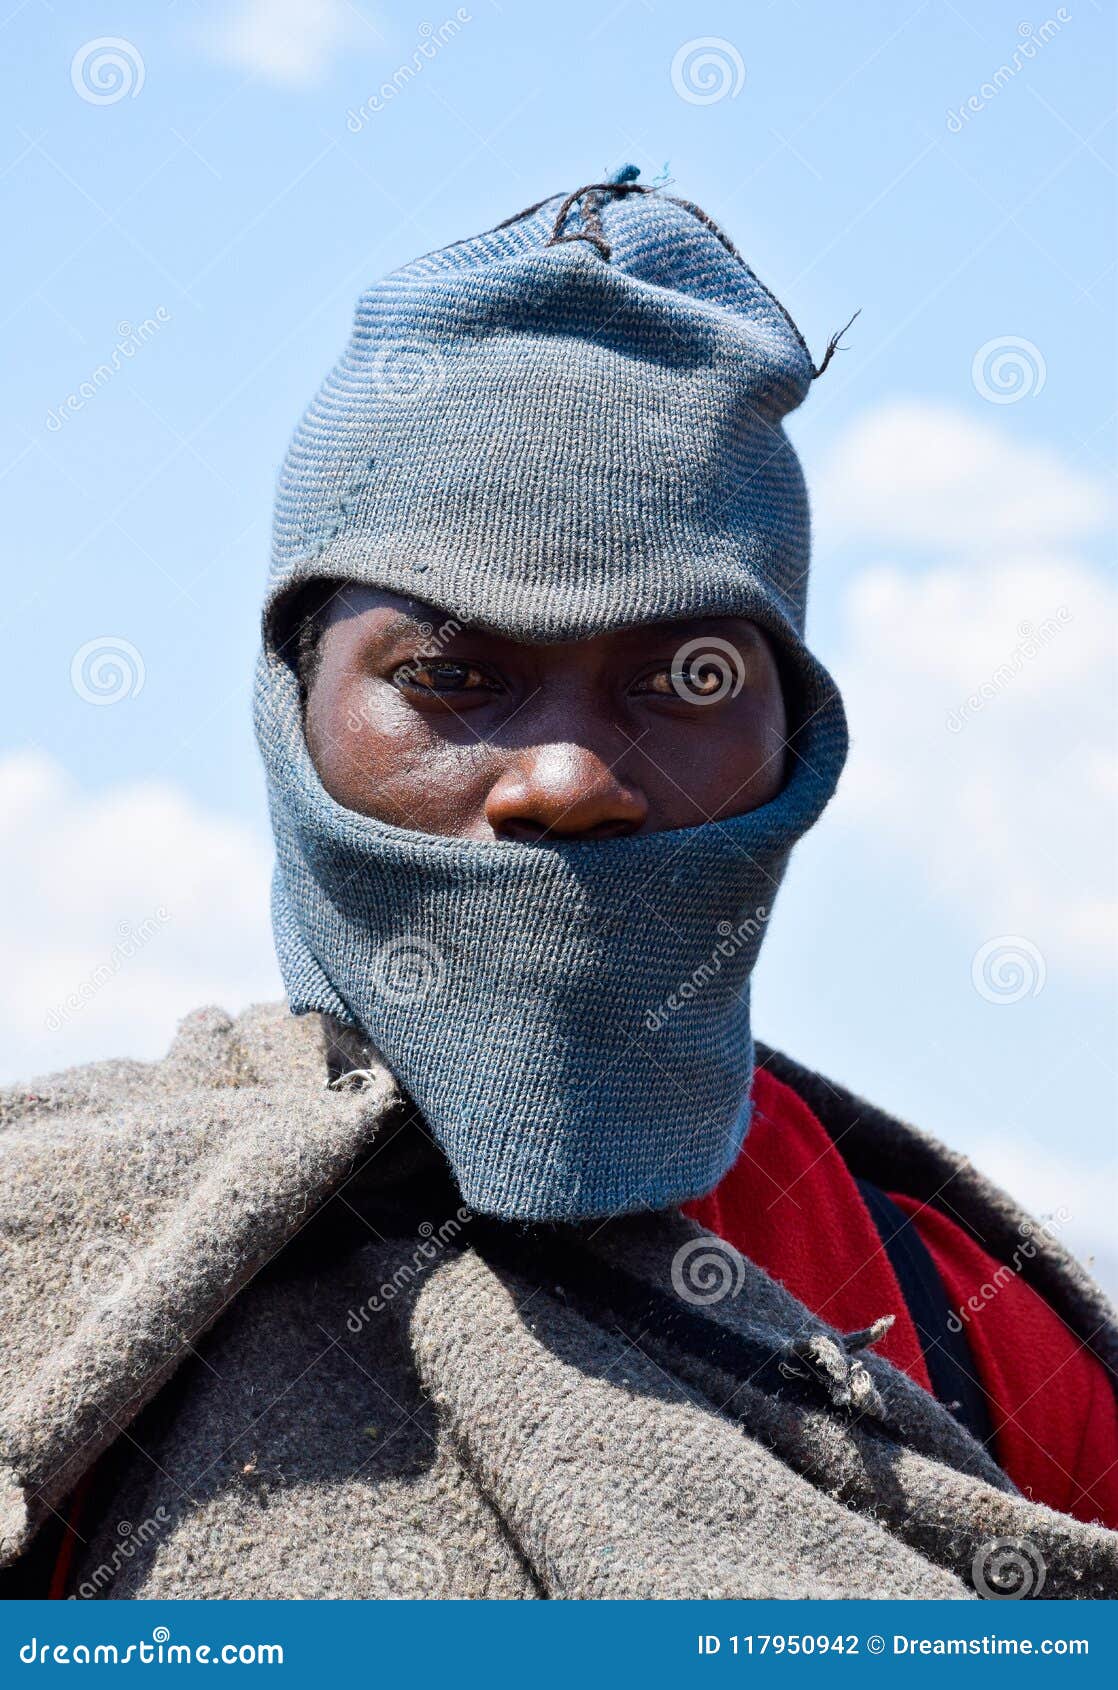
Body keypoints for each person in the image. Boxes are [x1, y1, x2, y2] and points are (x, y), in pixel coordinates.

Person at [1, 171, 1114, 1602]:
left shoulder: (982, 1339)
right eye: (452, 677)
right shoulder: (58, 1291)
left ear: (796, 734)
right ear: (291, 714)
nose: (567, 780)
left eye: (683, 677)